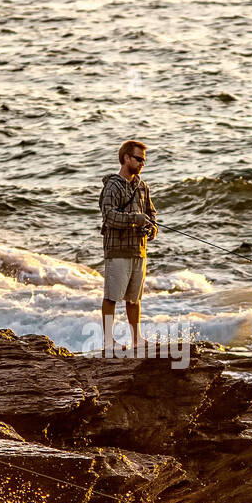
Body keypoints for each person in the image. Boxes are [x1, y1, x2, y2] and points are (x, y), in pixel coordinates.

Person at [99, 138, 158, 355]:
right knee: (112, 297)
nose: (142, 163)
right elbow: (109, 216)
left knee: (134, 299)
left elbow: (151, 216)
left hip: (139, 250)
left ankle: (137, 340)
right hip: (117, 250)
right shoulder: (112, 185)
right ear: (126, 158)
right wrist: (136, 219)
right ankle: (108, 341)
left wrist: (151, 229)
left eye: (143, 160)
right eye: (138, 159)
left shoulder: (143, 187)